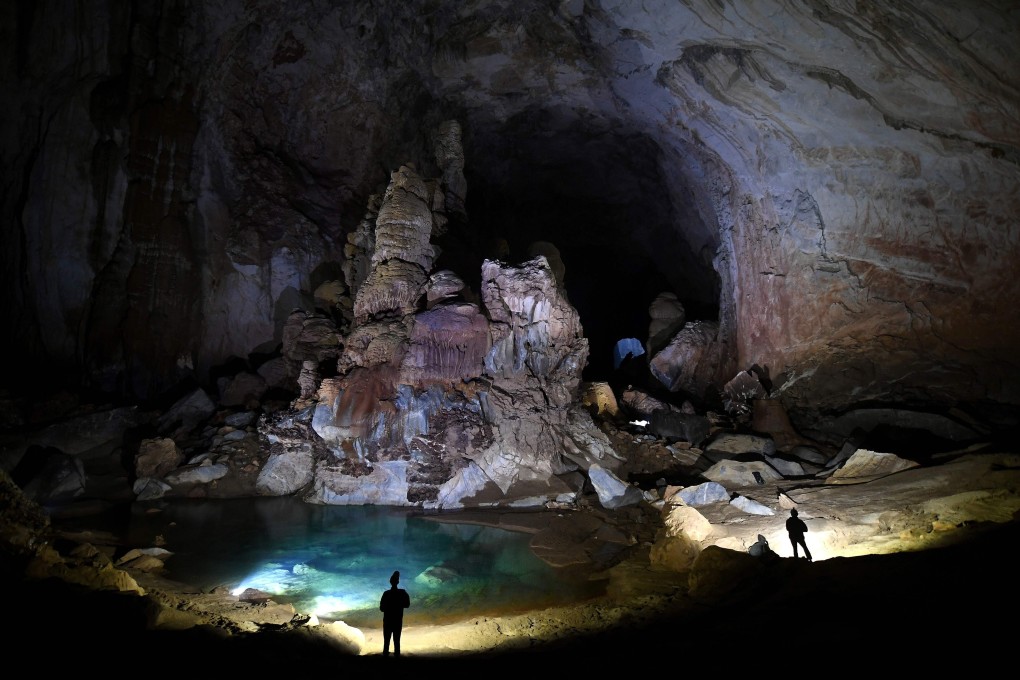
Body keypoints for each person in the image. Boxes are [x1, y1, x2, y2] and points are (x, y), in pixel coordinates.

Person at [380, 570, 411, 656]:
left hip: (387, 620)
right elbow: (407, 604)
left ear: (390, 582)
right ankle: (397, 660)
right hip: (397, 620)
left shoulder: (386, 594)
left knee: (386, 641)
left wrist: (389, 607)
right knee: (397, 641)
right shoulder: (402, 593)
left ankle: (385, 657)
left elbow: (381, 608)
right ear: (398, 581)